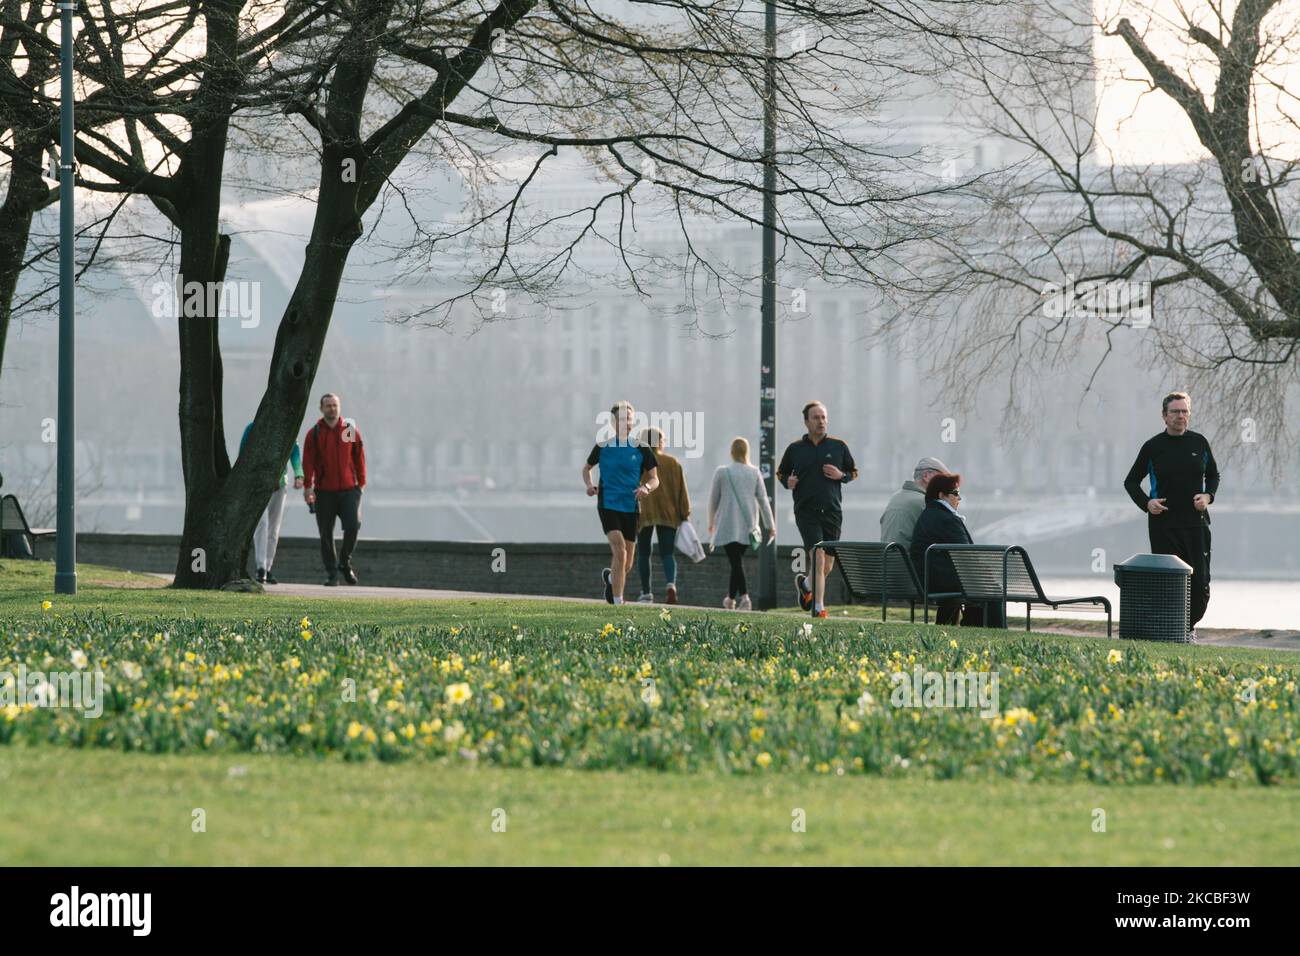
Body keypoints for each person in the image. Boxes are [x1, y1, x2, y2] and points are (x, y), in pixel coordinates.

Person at [1123, 391, 1219, 639]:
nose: (1180, 416)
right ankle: (1177, 630)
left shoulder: (1199, 443)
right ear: (1164, 416)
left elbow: (1214, 476)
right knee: (1169, 583)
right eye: (1175, 412)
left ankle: (1188, 626)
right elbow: (1131, 482)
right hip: (1163, 525)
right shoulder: (1153, 447)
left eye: (1184, 411)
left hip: (1196, 525)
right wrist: (1147, 503)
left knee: (1200, 584)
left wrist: (1208, 497)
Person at [776, 400, 857, 618]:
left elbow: (853, 471)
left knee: (827, 565)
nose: (821, 421)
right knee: (818, 556)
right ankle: (819, 607)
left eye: (823, 417)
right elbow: (781, 473)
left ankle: (806, 585)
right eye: (816, 417)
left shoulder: (838, 446)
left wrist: (842, 476)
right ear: (806, 422)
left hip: (832, 511)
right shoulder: (795, 449)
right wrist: (788, 482)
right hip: (806, 511)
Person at [583, 400, 659, 605]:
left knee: (627, 561)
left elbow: (655, 478)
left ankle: (611, 579)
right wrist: (590, 485)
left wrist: (646, 488)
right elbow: (586, 468)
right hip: (608, 503)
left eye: (630, 420)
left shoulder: (641, 448)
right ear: (614, 422)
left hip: (631, 506)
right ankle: (618, 601)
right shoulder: (602, 446)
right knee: (619, 550)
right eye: (623, 419)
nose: (627, 423)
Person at [909, 472, 1004, 627]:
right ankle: (997, 633)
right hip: (940, 582)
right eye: (955, 494)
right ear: (942, 496)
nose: (959, 498)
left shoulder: (928, 515)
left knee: (979, 586)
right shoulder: (948, 519)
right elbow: (967, 555)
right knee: (992, 590)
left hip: (927, 579)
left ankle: (972, 627)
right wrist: (985, 572)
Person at [302, 393, 367, 586]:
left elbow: (358, 457)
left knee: (353, 526)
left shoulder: (348, 429)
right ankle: (332, 573)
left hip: (349, 490)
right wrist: (308, 487)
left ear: (339, 407)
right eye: (328, 406)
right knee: (326, 534)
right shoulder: (315, 433)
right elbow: (308, 462)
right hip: (324, 491)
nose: (332, 409)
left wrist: (361, 484)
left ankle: (344, 562)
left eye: (335, 405)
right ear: (321, 408)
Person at [708, 437, 776, 610]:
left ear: (732, 452)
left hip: (727, 524)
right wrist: (770, 525)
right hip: (749, 526)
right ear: (747, 452)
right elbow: (763, 501)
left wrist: (711, 522)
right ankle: (730, 599)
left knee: (736, 563)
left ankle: (745, 598)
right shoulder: (754, 472)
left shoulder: (722, 472)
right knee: (736, 563)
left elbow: (713, 500)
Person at [239, 421, 304, 584]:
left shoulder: (288, 428)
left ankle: (268, 567)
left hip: (279, 485)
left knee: (274, 529)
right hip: (257, 485)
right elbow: (243, 453)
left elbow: (294, 453)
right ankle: (260, 567)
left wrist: (299, 474)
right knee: (261, 524)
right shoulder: (252, 428)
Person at [634, 427, 690, 604]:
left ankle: (646, 592)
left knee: (644, 552)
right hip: (669, 513)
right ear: (660, 442)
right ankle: (670, 584)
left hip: (644, 512)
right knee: (667, 552)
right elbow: (682, 490)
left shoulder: (638, 461)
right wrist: (684, 512)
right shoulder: (673, 463)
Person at [880, 456, 949, 549]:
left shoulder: (895, 498)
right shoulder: (925, 502)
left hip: (887, 561)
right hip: (909, 562)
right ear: (926, 476)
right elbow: (946, 540)